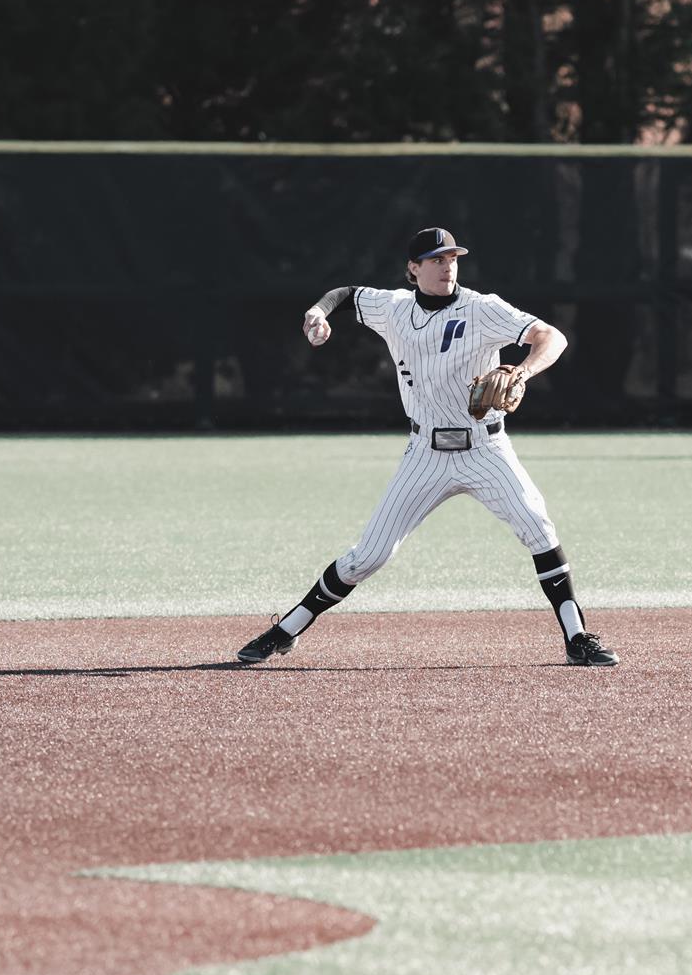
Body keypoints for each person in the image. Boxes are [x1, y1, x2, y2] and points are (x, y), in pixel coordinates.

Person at [234, 227, 620, 668]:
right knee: (368, 557)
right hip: (425, 454)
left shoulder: (483, 309)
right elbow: (344, 294)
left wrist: (522, 372)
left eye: (452, 258)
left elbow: (552, 337)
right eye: (436, 260)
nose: (447, 266)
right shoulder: (393, 307)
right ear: (413, 269)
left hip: (485, 450)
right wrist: (317, 312)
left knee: (539, 529)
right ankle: (286, 629)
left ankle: (577, 637)